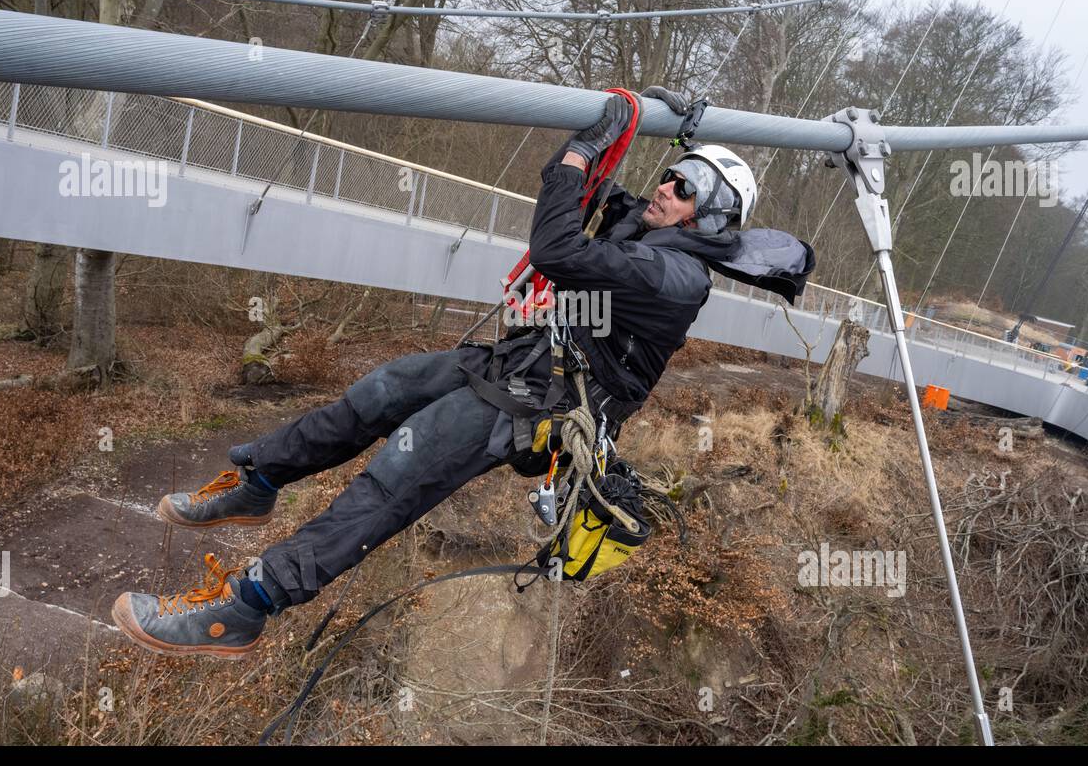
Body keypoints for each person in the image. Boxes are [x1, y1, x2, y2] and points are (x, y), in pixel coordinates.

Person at [111, 87, 815, 658]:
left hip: (538, 405)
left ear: (711, 218)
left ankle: (244, 607)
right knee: (379, 392)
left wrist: (576, 156)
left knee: (395, 476)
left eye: (684, 186)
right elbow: (627, 209)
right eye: (672, 175)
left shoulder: (673, 274)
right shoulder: (660, 238)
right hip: (518, 364)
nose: (666, 187)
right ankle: (258, 480)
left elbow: (558, 247)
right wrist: (676, 137)